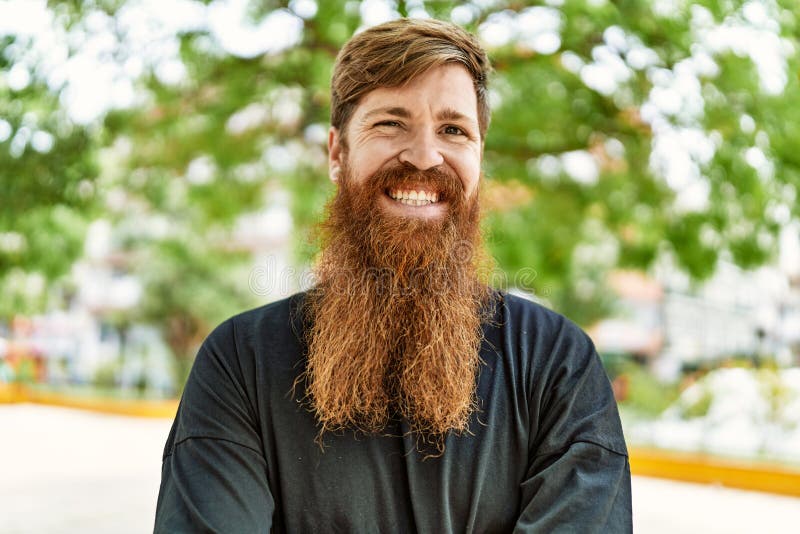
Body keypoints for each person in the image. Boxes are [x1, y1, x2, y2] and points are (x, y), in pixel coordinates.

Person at [154, 18, 631, 533]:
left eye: (454, 130)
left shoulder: (558, 366)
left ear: (480, 158)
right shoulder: (239, 366)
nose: (425, 156)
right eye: (390, 123)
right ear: (337, 154)